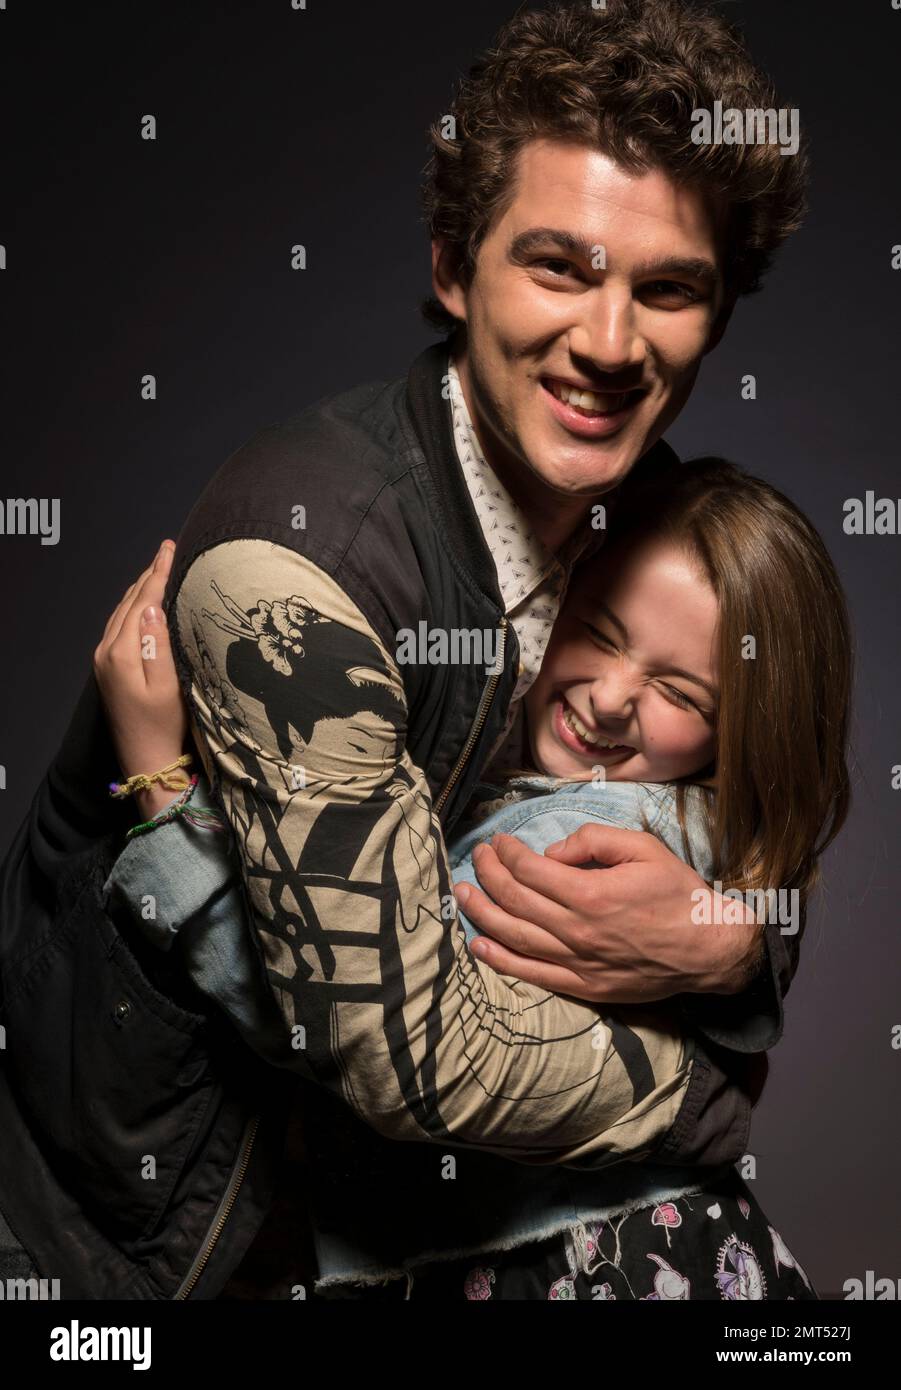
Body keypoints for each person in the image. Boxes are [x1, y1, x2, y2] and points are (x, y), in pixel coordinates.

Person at [0, 0, 816, 1298]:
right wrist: (702, 1097)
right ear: (453, 266)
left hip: (414, 1234)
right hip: (147, 1240)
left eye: (665, 289)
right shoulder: (307, 559)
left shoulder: (654, 517)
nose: (608, 344)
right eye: (559, 266)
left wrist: (734, 935)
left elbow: (760, 776)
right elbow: (405, 1048)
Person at [92, 456, 850, 1301]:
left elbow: (353, 1017)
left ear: (743, 733)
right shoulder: (534, 782)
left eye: (680, 692)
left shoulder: (589, 834)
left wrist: (162, 790)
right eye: (599, 632)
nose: (608, 699)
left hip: (574, 1268)